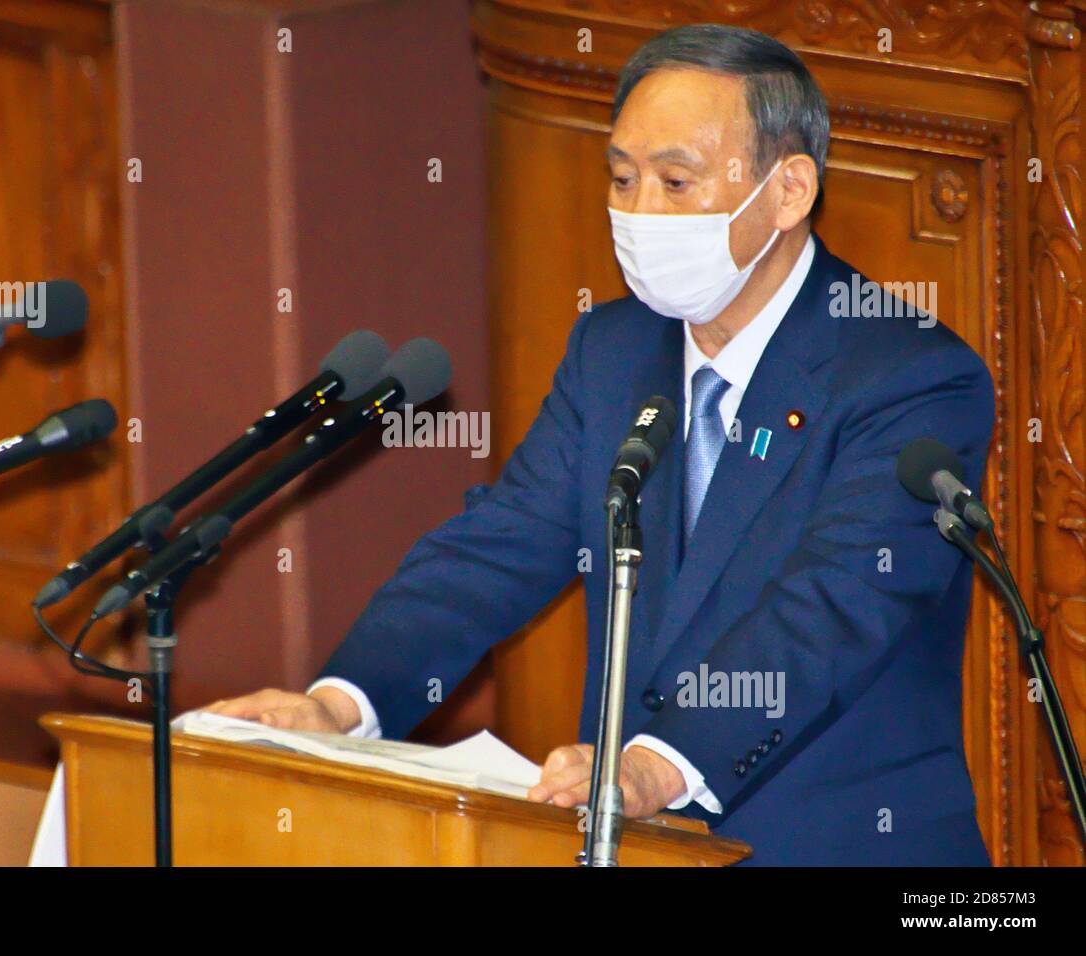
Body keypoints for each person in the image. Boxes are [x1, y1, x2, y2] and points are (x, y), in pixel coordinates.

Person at [207, 23, 994, 865]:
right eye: (622, 178)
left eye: (675, 181)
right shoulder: (613, 353)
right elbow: (498, 546)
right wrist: (343, 704)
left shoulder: (910, 376)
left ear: (789, 189)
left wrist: (654, 768)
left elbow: (830, 610)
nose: (639, 213)